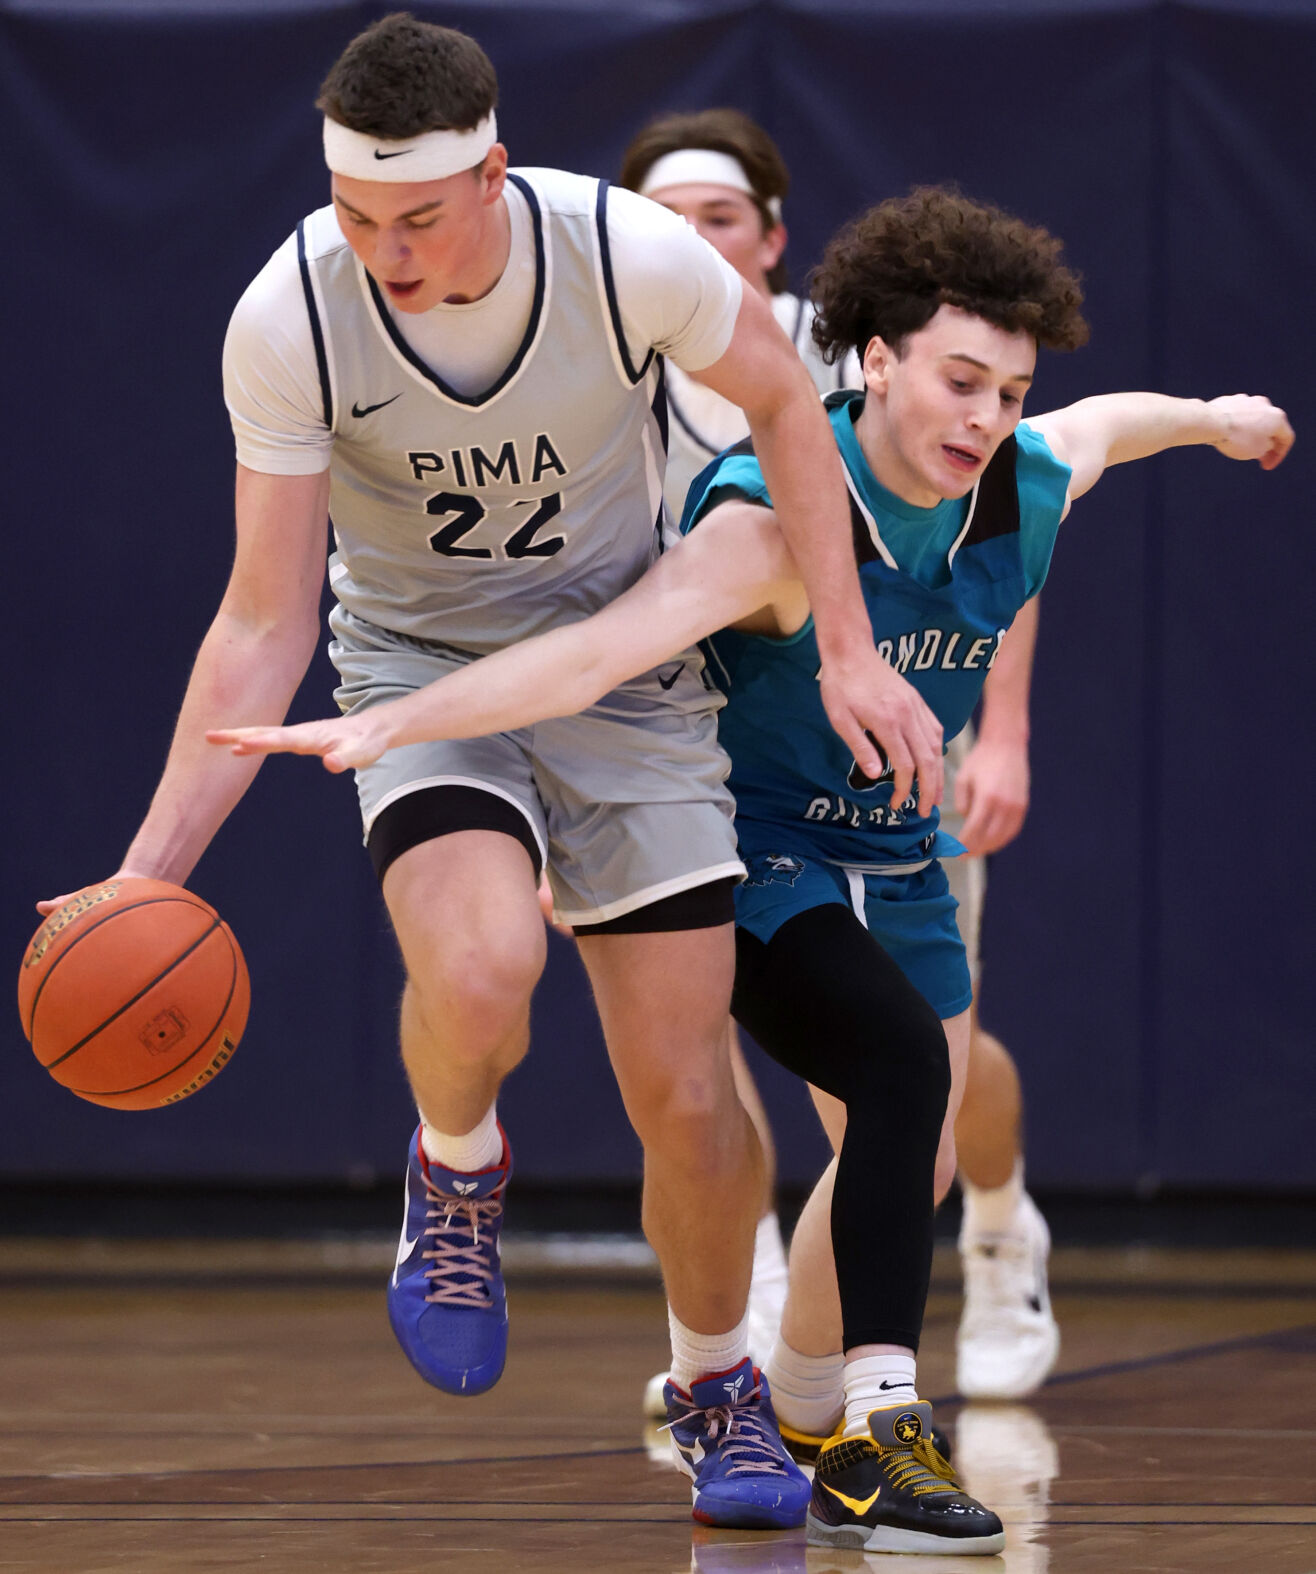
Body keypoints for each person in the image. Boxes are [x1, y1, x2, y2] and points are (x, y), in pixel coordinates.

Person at [211, 184, 1291, 1553]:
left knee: (915, 1151)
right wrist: (397, 720)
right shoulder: (771, 511)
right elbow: (601, 653)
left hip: (897, 852)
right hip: (753, 845)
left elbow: (1108, 426)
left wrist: (1218, 419)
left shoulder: (1022, 480)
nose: (986, 416)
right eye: (961, 381)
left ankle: (798, 1407)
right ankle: (877, 1425)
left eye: (1009, 392)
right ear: (876, 360)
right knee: (893, 1062)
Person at [37, 13, 951, 1533]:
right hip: (421, 676)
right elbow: (263, 618)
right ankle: (456, 1172)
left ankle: (715, 1381)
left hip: (626, 672)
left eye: (415, 216)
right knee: (481, 967)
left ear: (492, 175)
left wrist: (850, 649)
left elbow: (790, 402)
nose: (384, 250)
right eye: (356, 214)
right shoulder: (290, 316)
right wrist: (145, 877)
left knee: (690, 1095)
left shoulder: (624, 253)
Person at [621, 108, 1058, 1410]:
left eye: (717, 218)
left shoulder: (875, 353)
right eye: (660, 220)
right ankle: (762, 1317)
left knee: (924, 1080)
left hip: (893, 741)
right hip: (711, 765)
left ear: (769, 240)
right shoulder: (593, 375)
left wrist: (1005, 732)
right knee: (708, 1049)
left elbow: (1013, 526)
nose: (689, 240)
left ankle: (998, 1224)